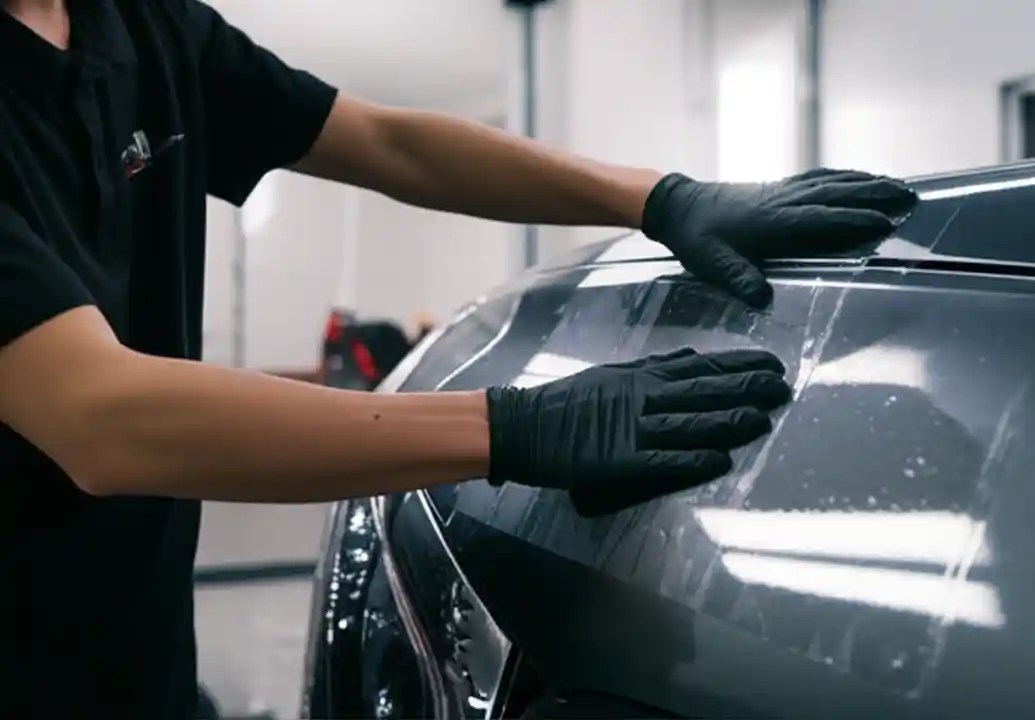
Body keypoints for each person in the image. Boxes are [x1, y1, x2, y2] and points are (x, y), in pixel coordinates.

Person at [0, 0, 917, 717]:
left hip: (137, 667)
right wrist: (512, 426)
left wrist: (660, 199)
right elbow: (101, 417)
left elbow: (385, 141)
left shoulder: (145, 29)